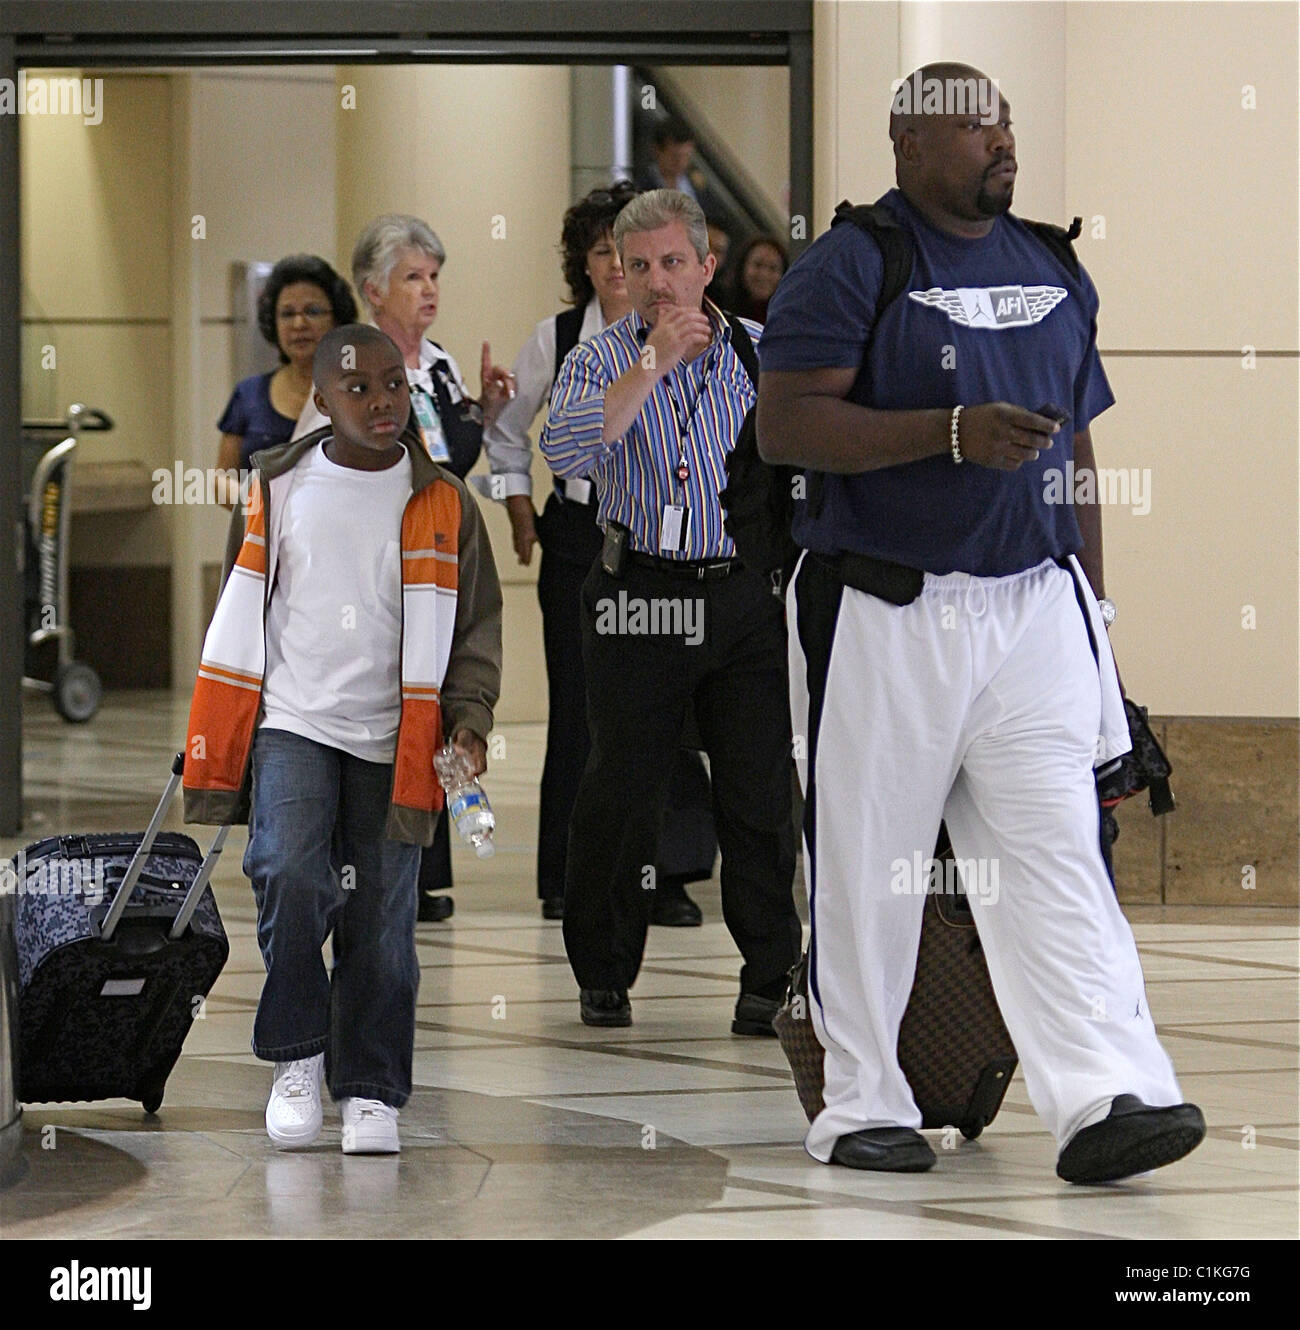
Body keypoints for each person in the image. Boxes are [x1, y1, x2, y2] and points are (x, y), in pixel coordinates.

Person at [756, 62, 1204, 1182]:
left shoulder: (1053, 265)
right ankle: (860, 1099)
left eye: (1003, 121)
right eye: (973, 127)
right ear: (907, 144)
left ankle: (1108, 1093)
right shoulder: (850, 264)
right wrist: (948, 433)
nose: (1000, 141)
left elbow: (1077, 449)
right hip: (883, 604)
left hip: (1034, 612)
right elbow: (787, 426)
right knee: (870, 862)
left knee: (1057, 855)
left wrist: (1092, 605)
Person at [183, 323, 502, 1154]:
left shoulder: (443, 501)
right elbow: (239, 608)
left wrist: (469, 724)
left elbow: (474, 629)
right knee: (287, 870)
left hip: (400, 735)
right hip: (294, 721)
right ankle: (296, 1055)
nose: (382, 401)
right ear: (320, 401)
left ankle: (368, 1087)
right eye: (357, 389)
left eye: (393, 384)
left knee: (384, 915)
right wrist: (227, 736)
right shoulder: (280, 489)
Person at [540, 189, 801, 1032]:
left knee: (759, 789)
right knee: (621, 785)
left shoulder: (761, 354)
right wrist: (649, 364)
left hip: (738, 595)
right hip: (636, 592)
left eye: (673, 263)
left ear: (707, 266)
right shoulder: (599, 357)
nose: (657, 281)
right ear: (619, 270)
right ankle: (604, 969)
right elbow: (568, 450)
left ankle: (769, 974)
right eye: (639, 265)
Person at [479, 181, 719, 924]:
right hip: (584, 533)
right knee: (583, 708)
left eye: (644, 257)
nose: (625, 270)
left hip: (677, 537)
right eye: (608, 254)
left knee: (674, 711)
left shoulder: (704, 335)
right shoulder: (559, 340)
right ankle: (567, 876)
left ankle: (668, 872)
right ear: (586, 262)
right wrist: (520, 510)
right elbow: (510, 433)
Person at [296, 215, 515, 923]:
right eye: (413, 277)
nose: (430, 290)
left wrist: (488, 412)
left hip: (441, 545)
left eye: (434, 276)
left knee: (443, 697)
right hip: (378, 560)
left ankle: (421, 866)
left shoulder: (439, 364)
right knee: (391, 707)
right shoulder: (353, 371)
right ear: (372, 291)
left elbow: (452, 456)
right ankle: (375, 862)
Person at [214, 254, 356, 507]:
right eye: (287, 314)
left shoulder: (357, 393)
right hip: (262, 537)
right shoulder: (249, 393)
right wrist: (264, 507)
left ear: (336, 319)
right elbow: (221, 479)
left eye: (312, 311)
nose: (299, 324)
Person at [728, 234, 788, 324]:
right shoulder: (719, 309)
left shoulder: (787, 319)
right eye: (758, 264)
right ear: (742, 266)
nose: (764, 274)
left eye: (773, 268)